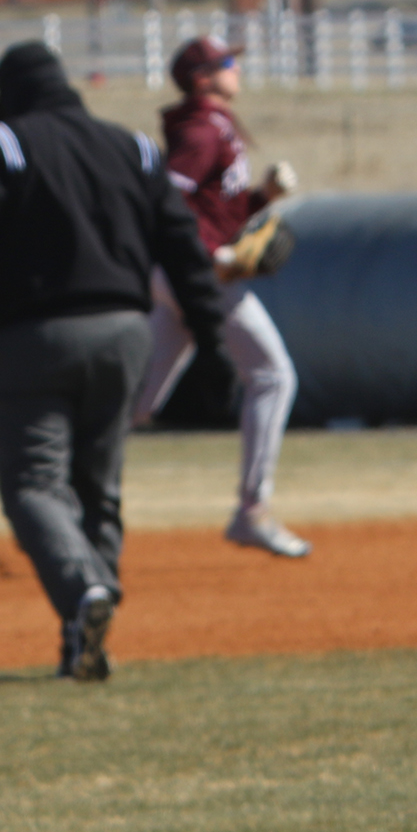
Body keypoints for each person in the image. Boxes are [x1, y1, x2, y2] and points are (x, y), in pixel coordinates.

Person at [0, 41, 227, 682]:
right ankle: (86, 634)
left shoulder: (5, 145)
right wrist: (212, 336)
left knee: (35, 485)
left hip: (34, 340)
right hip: (124, 334)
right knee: (99, 489)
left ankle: (83, 591)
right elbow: (183, 244)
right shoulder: (134, 148)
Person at [132, 36, 310, 558]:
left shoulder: (213, 127)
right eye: (228, 63)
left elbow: (214, 211)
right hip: (197, 275)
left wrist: (262, 199)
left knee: (139, 403)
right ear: (205, 78)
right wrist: (211, 257)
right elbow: (166, 203)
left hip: (185, 273)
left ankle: (58, 480)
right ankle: (252, 511)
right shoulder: (203, 131)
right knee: (273, 376)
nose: (237, 69)